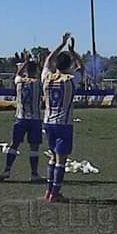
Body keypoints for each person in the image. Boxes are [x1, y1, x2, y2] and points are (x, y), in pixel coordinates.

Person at [42, 32, 84, 202]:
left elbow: (47, 61)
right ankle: (55, 193)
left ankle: (48, 190)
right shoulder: (71, 79)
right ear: (69, 65)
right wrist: (73, 51)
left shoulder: (47, 77)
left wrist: (61, 44)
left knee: (52, 157)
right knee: (61, 160)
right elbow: (82, 67)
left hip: (48, 122)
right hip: (63, 124)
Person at [0, 51, 43, 182]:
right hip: (35, 119)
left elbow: (17, 74)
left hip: (21, 118)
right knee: (34, 147)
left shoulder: (19, 81)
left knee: (14, 144)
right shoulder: (38, 83)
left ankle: (7, 170)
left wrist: (26, 62)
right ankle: (34, 174)